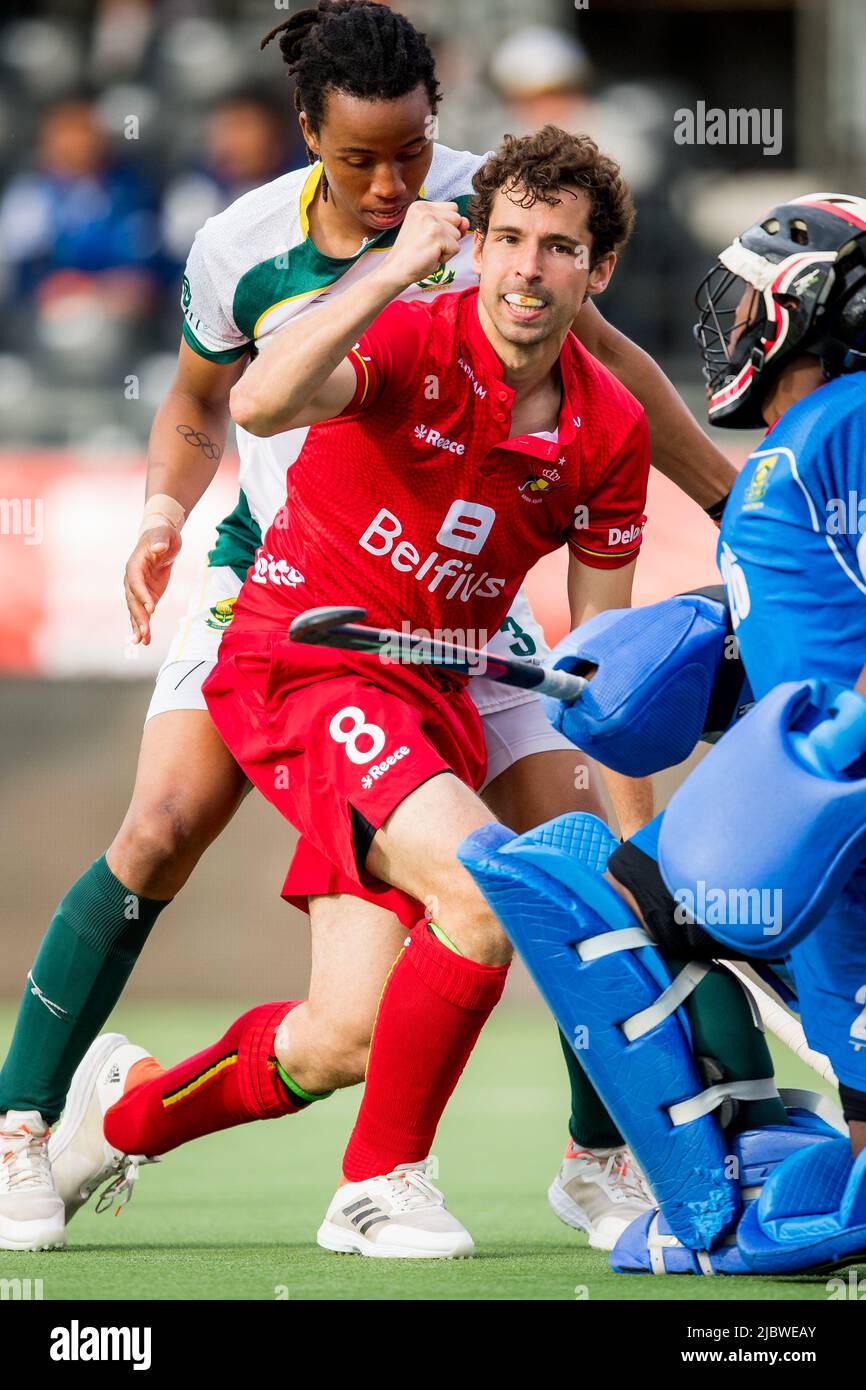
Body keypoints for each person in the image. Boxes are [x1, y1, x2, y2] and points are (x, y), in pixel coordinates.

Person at [0, 0, 733, 1253]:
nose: (393, 187)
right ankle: (22, 1121)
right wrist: (162, 512)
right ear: (308, 137)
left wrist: (738, 506)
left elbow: (607, 367)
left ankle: (592, 1156)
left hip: (455, 632)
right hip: (289, 591)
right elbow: (213, 400)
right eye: (358, 163)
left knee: (494, 922)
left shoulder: (502, 211)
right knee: (164, 830)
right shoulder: (244, 244)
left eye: (410, 154)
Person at [523, 190, 866, 1275]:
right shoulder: (824, 442)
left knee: (583, 897)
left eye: (743, 303)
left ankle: (690, 1191)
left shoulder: (795, 463)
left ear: (800, 312)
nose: (722, 326)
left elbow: (814, 705)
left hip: (833, 830)